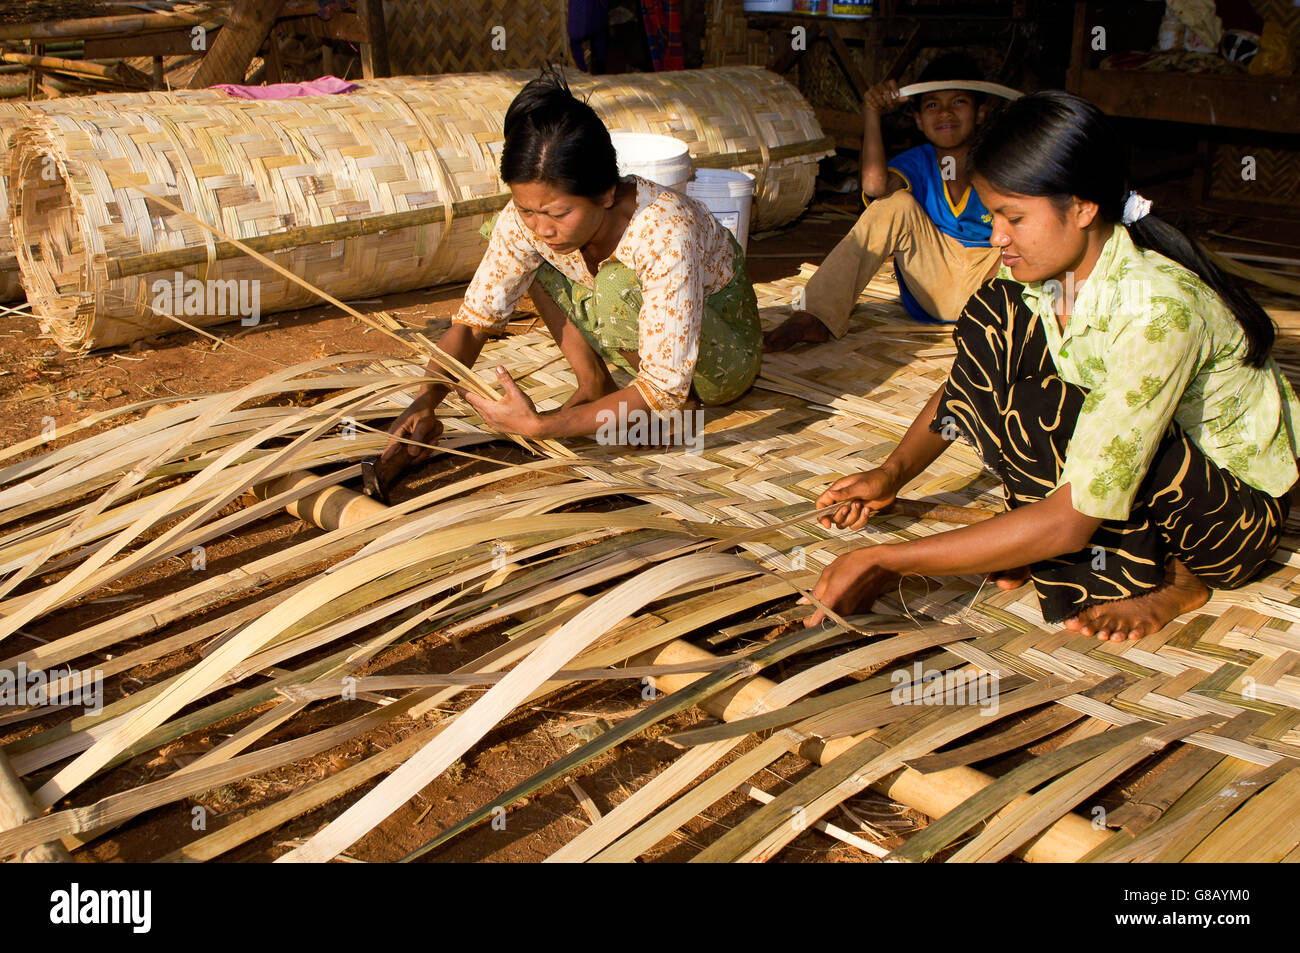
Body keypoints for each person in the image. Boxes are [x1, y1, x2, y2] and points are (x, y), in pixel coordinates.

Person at [802, 90, 1300, 643]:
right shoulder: (1039, 281)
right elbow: (966, 387)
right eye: (993, 214)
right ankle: (1032, 539)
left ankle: (1176, 582)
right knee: (998, 319)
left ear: (1083, 207)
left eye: (1013, 217)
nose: (996, 237)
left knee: (1051, 408)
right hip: (1126, 493)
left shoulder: (1157, 311)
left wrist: (886, 561)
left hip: (1221, 522)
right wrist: (890, 474)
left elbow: (1073, 514)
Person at [380, 66, 761, 470]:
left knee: (617, 287)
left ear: (607, 193)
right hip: (633, 335)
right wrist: (426, 398)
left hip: (720, 360)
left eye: (559, 212)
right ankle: (593, 380)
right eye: (528, 209)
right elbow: (475, 322)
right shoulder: (532, 225)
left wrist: (544, 426)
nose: (543, 227)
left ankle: (678, 411)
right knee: (525, 246)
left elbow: (663, 385)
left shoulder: (665, 231)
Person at [764, 53, 1003, 351]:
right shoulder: (917, 163)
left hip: (991, 288)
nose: (945, 113)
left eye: (959, 102)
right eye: (932, 104)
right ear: (917, 119)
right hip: (933, 283)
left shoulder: (998, 164)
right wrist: (872, 113)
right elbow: (875, 187)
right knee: (893, 204)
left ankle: (996, 329)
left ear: (980, 113)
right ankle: (816, 315)